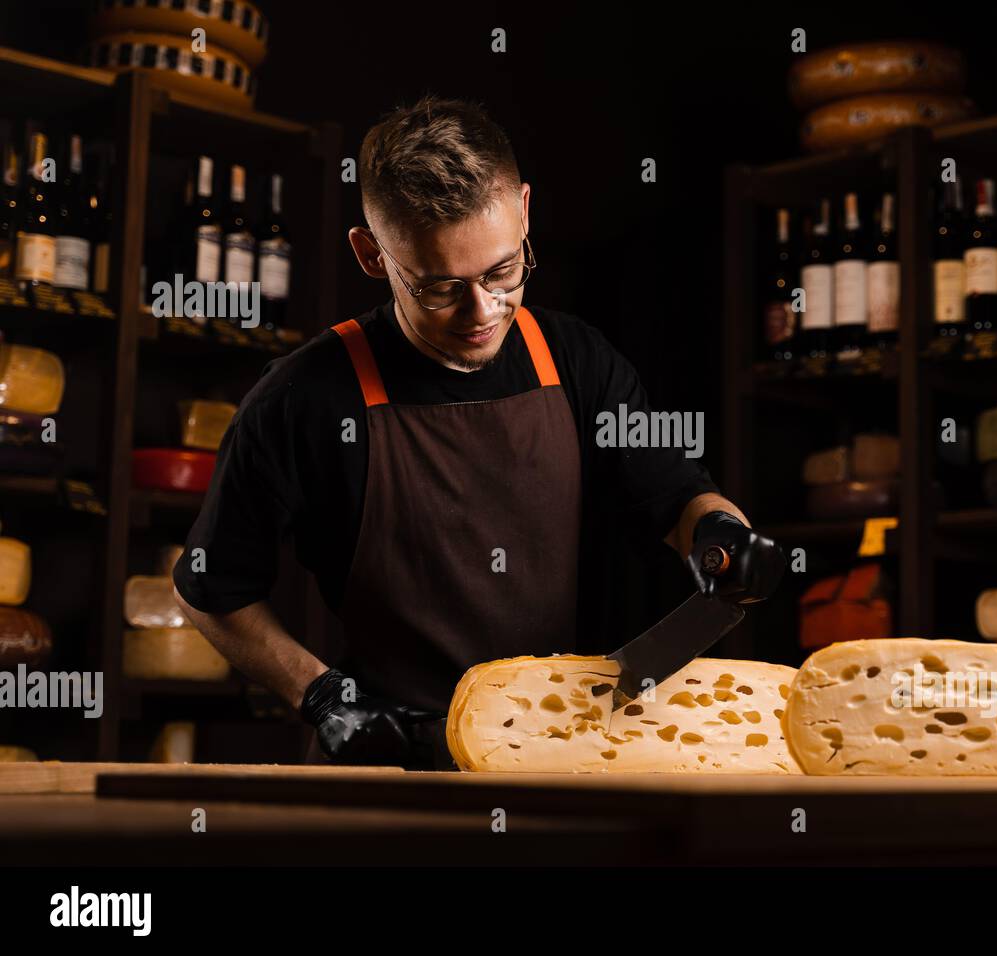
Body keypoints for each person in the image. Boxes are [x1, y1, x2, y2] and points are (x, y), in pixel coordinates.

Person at [173, 94, 782, 768]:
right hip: (392, 763)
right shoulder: (301, 399)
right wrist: (320, 696)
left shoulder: (576, 360)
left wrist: (725, 536)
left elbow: (675, 498)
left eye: (503, 271)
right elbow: (209, 588)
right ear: (372, 255)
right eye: (440, 288)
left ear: (523, 211)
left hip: (559, 755)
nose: (482, 311)